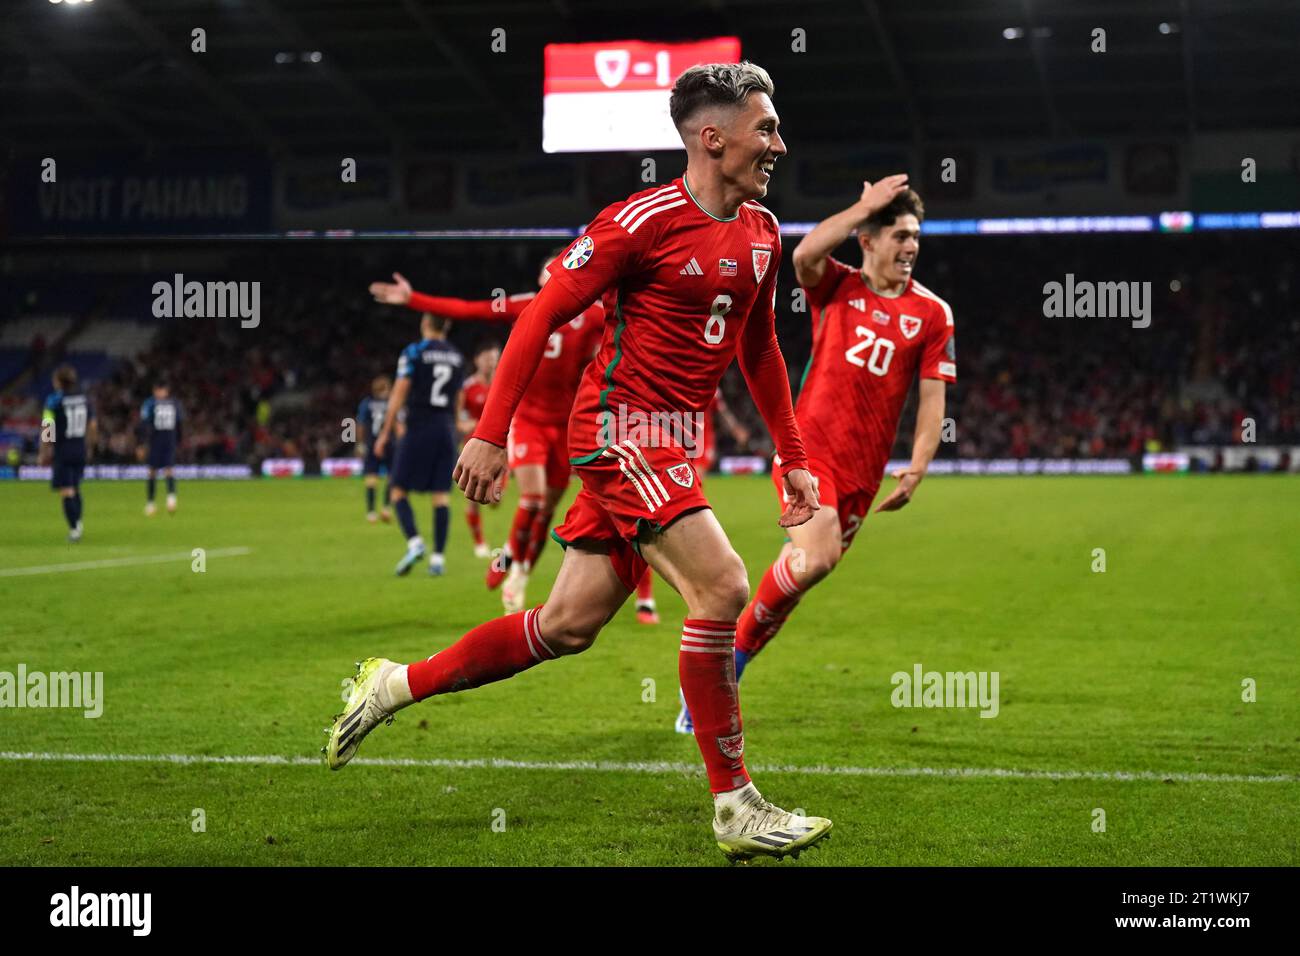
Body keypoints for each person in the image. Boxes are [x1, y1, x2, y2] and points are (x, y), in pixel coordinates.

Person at [328, 62, 832, 862]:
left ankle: (392, 684)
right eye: (764, 129)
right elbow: (541, 317)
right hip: (619, 428)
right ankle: (735, 805)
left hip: (668, 441)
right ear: (713, 137)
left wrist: (793, 455)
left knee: (565, 627)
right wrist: (491, 434)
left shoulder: (765, 236)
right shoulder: (640, 221)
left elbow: (762, 349)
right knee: (724, 585)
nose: (778, 143)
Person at [676, 180, 957, 732]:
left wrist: (918, 466)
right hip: (807, 455)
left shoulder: (933, 314)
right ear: (868, 240)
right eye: (900, 234)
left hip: (862, 475)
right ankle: (712, 678)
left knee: (798, 582)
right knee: (818, 557)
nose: (911, 246)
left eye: (916, 237)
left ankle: (725, 669)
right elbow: (804, 254)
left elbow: (932, 401)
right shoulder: (838, 287)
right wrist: (862, 207)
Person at [373, 314, 465, 577]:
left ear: (425, 324)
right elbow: (458, 398)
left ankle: (415, 542)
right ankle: (438, 559)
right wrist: (456, 426)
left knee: (397, 490)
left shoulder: (414, 352)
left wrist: (385, 433)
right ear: (446, 326)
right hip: (445, 429)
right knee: (441, 496)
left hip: (419, 426)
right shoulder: (457, 356)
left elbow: (399, 392)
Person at [39, 365, 96, 542]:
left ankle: (74, 529)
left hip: (63, 450)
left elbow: (48, 427)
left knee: (67, 490)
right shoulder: (84, 399)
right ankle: (78, 523)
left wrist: (44, 451)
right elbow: (93, 426)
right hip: (80, 448)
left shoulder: (53, 401)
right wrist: (90, 446)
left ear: (58, 381)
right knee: (76, 487)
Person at [458, 343, 500, 558]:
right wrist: (471, 425)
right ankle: (479, 544)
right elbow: (459, 419)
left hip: (501, 448)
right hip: (473, 446)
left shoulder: (503, 384)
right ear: (477, 360)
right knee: (473, 496)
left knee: (494, 500)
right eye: (486, 358)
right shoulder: (468, 388)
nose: (490, 362)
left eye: (494, 358)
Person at [140, 379, 183, 516]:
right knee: (167, 470)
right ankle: (170, 499)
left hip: (157, 441)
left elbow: (144, 424)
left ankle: (152, 503)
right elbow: (180, 424)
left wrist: (142, 443)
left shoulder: (150, 403)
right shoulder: (175, 403)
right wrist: (179, 440)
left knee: (154, 471)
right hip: (168, 441)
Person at [357, 376, 394, 524]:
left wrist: (359, 444)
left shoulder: (367, 403)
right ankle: (386, 508)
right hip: (390, 444)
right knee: (392, 476)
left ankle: (371, 512)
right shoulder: (392, 403)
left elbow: (360, 424)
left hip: (372, 444)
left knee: (371, 478)